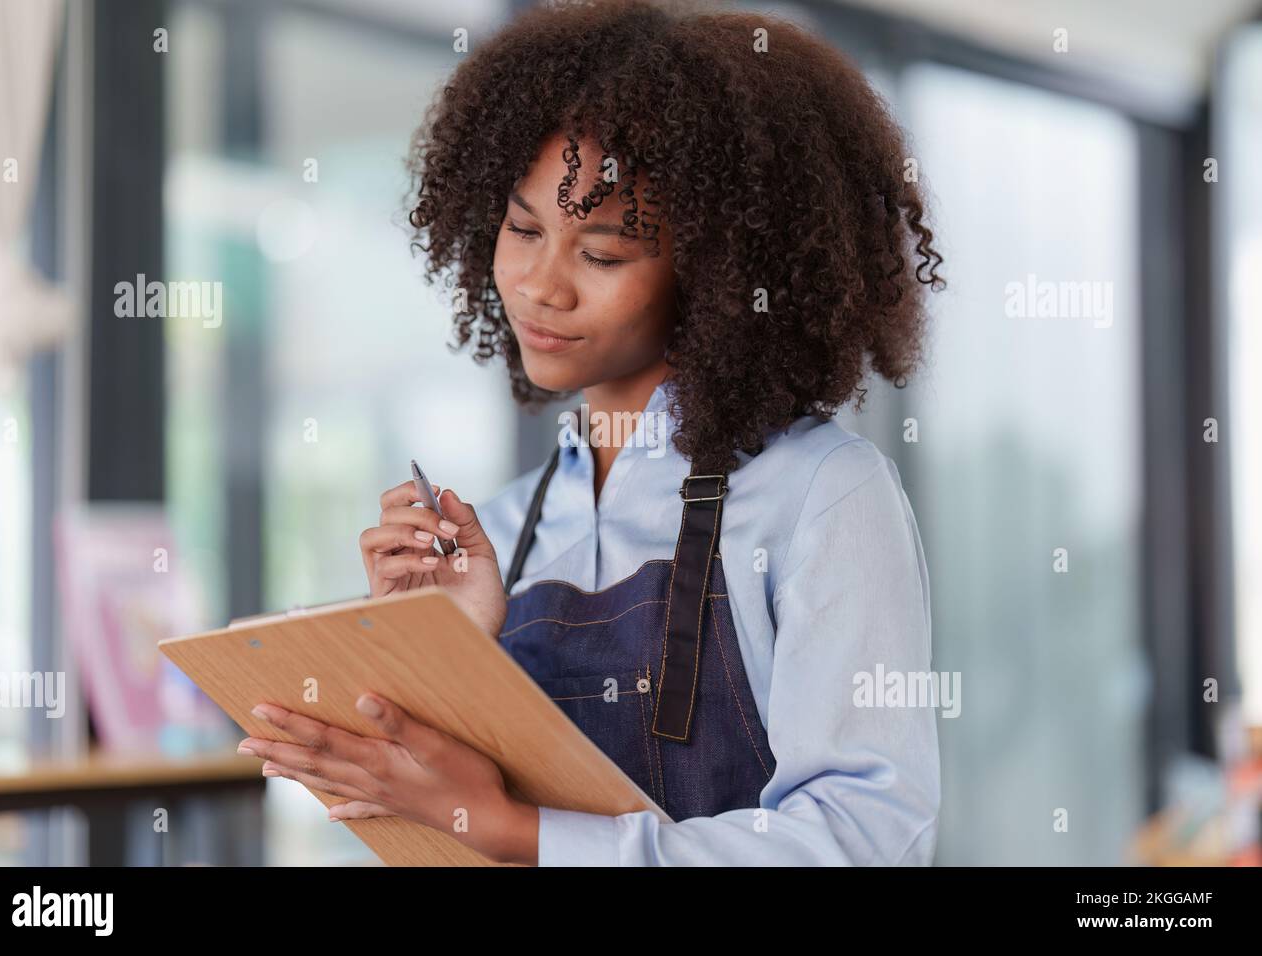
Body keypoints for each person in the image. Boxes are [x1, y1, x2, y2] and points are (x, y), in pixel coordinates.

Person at [238, 0, 945, 866]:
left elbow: (867, 837)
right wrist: (438, 662)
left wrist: (515, 831)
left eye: (602, 254)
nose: (542, 286)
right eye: (523, 229)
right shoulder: (496, 535)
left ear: (719, 273)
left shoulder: (822, 495)